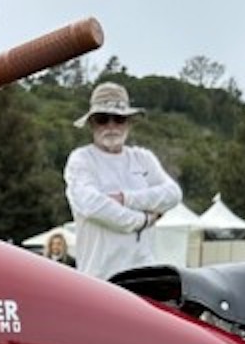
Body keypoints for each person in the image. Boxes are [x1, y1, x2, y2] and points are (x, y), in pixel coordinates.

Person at [63, 80, 180, 277]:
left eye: (119, 119)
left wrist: (126, 199)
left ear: (129, 122)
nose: (111, 126)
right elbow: (92, 204)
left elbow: (173, 194)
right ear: (91, 123)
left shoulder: (143, 158)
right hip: (98, 278)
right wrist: (142, 220)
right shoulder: (81, 159)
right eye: (102, 119)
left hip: (144, 275)